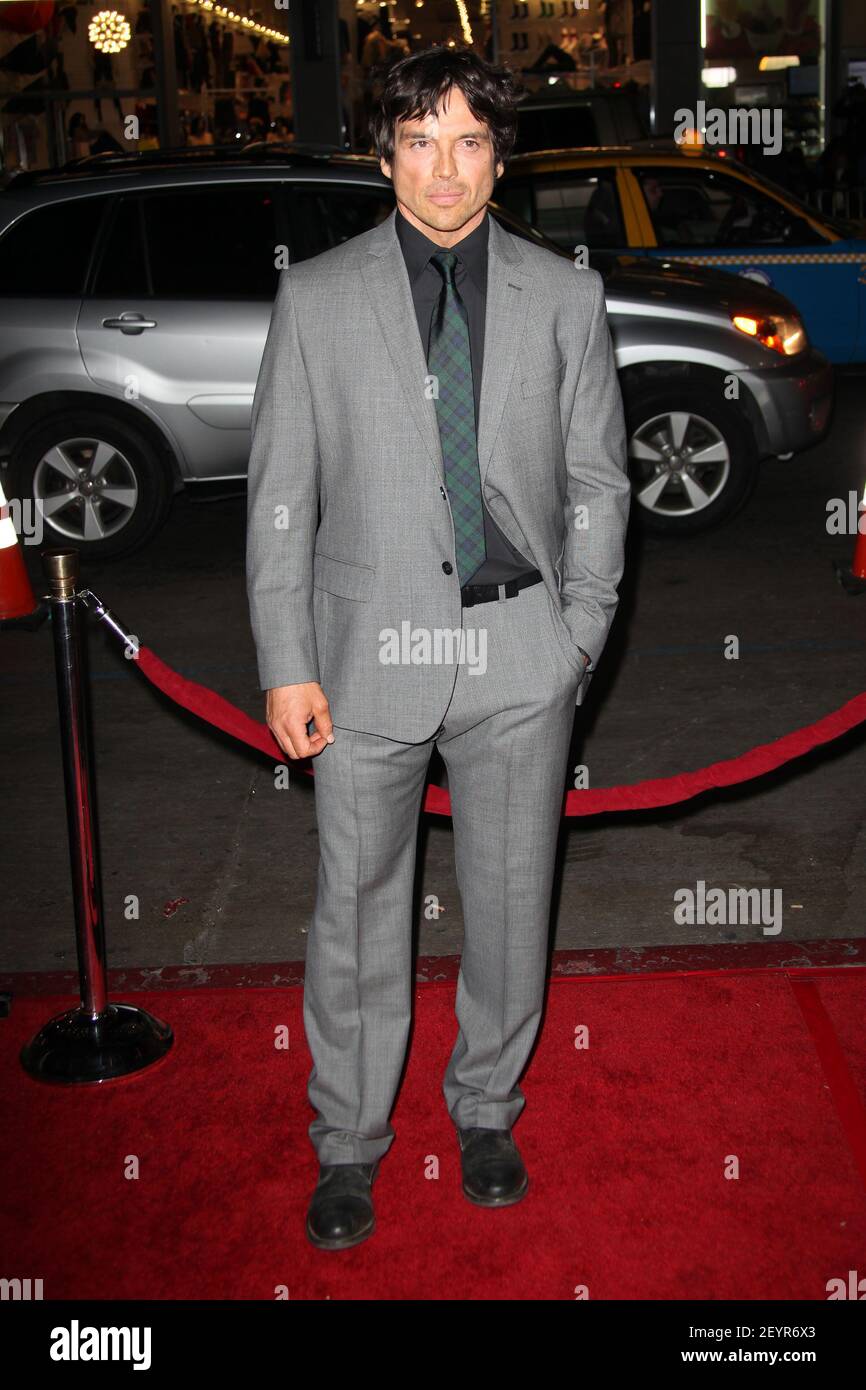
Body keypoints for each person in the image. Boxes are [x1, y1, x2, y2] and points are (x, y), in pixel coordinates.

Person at [245, 45, 630, 1251]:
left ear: (500, 156)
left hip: (521, 651)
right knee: (355, 911)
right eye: (418, 140)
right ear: (383, 153)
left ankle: (485, 1110)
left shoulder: (561, 296)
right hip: (359, 660)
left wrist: (577, 635)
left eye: (468, 141)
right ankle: (350, 1140)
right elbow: (280, 498)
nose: (444, 167)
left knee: (513, 903)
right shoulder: (314, 296)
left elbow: (597, 484)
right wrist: (283, 657)